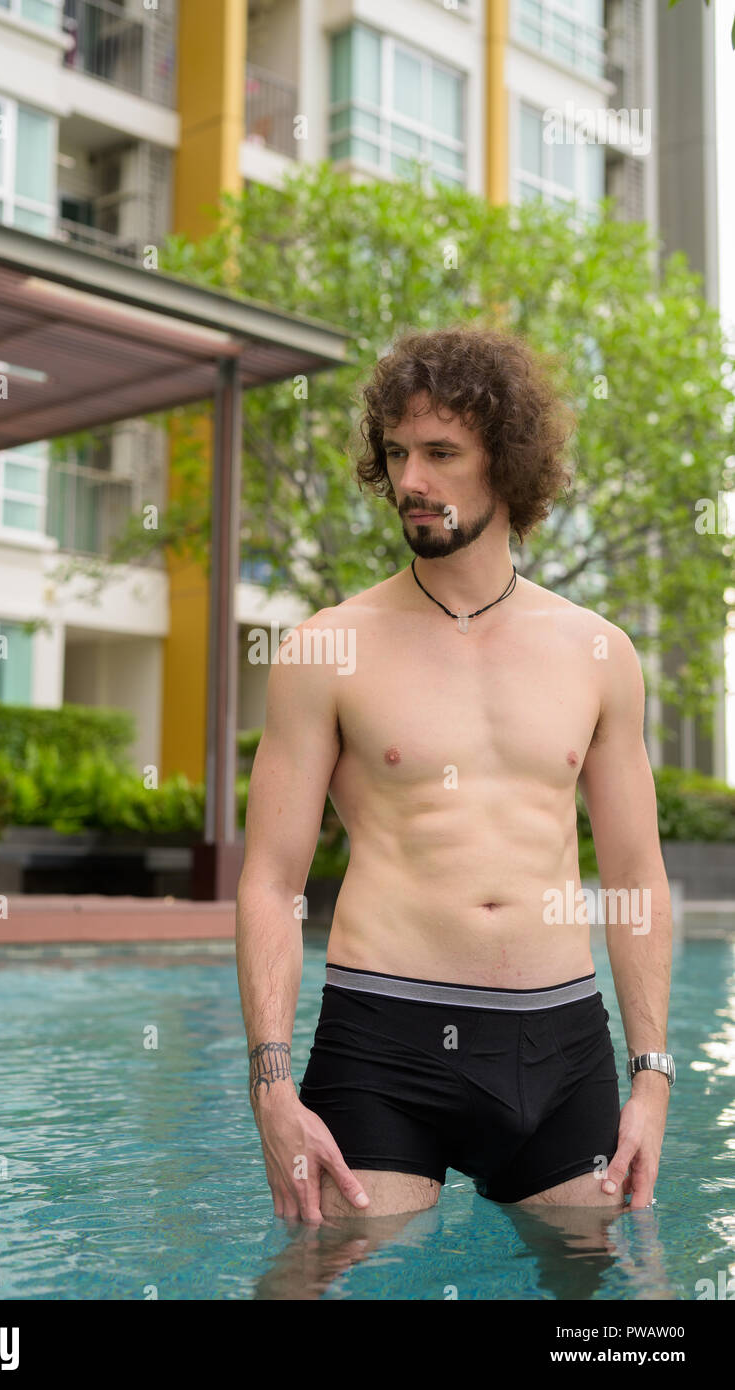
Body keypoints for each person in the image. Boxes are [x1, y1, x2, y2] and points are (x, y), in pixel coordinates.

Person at [236, 324, 674, 1225]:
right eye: (396, 453)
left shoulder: (598, 652)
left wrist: (652, 1078)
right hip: (383, 1038)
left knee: (622, 1317)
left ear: (507, 465)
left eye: (440, 453)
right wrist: (272, 1087)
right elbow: (270, 881)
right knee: (324, 1276)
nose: (410, 481)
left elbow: (635, 878)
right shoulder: (328, 646)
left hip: (561, 1047)